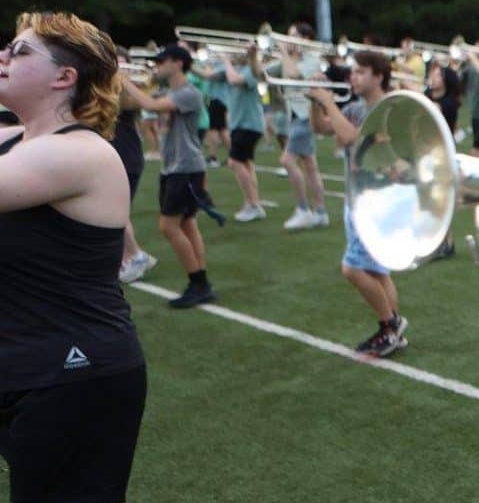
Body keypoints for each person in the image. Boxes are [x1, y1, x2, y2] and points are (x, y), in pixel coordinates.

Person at [0, 13, 163, 503]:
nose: (4, 56)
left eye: (20, 51)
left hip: (75, 372)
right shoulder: (19, 141)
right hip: (41, 367)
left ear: (65, 78)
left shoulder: (82, 152)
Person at [308, 52, 409, 358]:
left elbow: (352, 137)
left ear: (379, 76)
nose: (353, 77)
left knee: (352, 268)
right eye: (352, 72)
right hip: (357, 197)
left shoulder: (386, 109)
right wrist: (315, 103)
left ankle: (389, 327)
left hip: (376, 200)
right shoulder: (354, 108)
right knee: (377, 271)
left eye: (361, 72)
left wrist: (328, 102)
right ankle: (394, 330)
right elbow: (322, 129)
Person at [122, 45, 220, 308]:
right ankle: (201, 282)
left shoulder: (189, 93)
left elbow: (151, 105)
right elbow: (133, 104)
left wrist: (123, 80)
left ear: (178, 63)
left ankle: (198, 282)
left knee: (168, 226)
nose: (157, 65)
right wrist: (126, 85)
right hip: (175, 167)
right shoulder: (170, 91)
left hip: (185, 167)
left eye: (161, 61)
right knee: (187, 224)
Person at [270, 24, 328, 230]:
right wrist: (251, 57)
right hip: (295, 116)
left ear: (305, 39)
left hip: (305, 115)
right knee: (310, 167)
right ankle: (320, 212)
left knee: (286, 161)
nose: (288, 39)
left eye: (293, 36)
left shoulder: (312, 60)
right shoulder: (288, 59)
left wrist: (284, 51)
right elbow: (261, 73)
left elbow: (293, 75)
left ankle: (303, 210)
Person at [111, 58, 158, 284]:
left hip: (126, 157)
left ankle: (136, 255)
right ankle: (126, 258)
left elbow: (124, 105)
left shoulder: (128, 95)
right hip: (116, 155)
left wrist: (122, 80)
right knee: (113, 211)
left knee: (114, 211)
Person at [220, 44, 269, 222]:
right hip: (241, 124)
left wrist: (226, 60)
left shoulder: (250, 70)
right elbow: (209, 75)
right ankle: (252, 203)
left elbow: (234, 80)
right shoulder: (240, 69)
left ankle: (254, 205)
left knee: (234, 162)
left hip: (248, 124)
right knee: (246, 164)